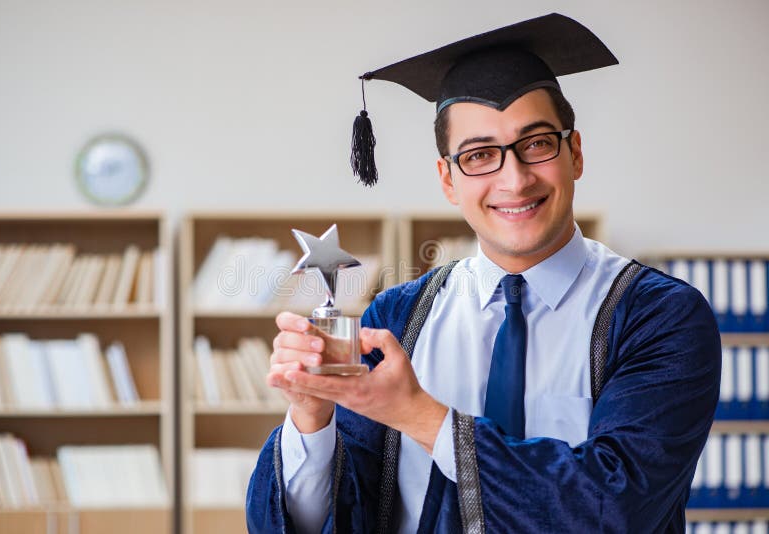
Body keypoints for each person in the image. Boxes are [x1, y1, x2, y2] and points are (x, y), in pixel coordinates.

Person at [246, 13, 721, 533]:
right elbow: (336, 519)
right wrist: (312, 421)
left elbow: (616, 507)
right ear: (447, 179)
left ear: (575, 153)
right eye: (479, 156)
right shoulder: (398, 318)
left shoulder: (659, 317)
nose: (514, 179)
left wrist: (420, 414)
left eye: (537, 144)